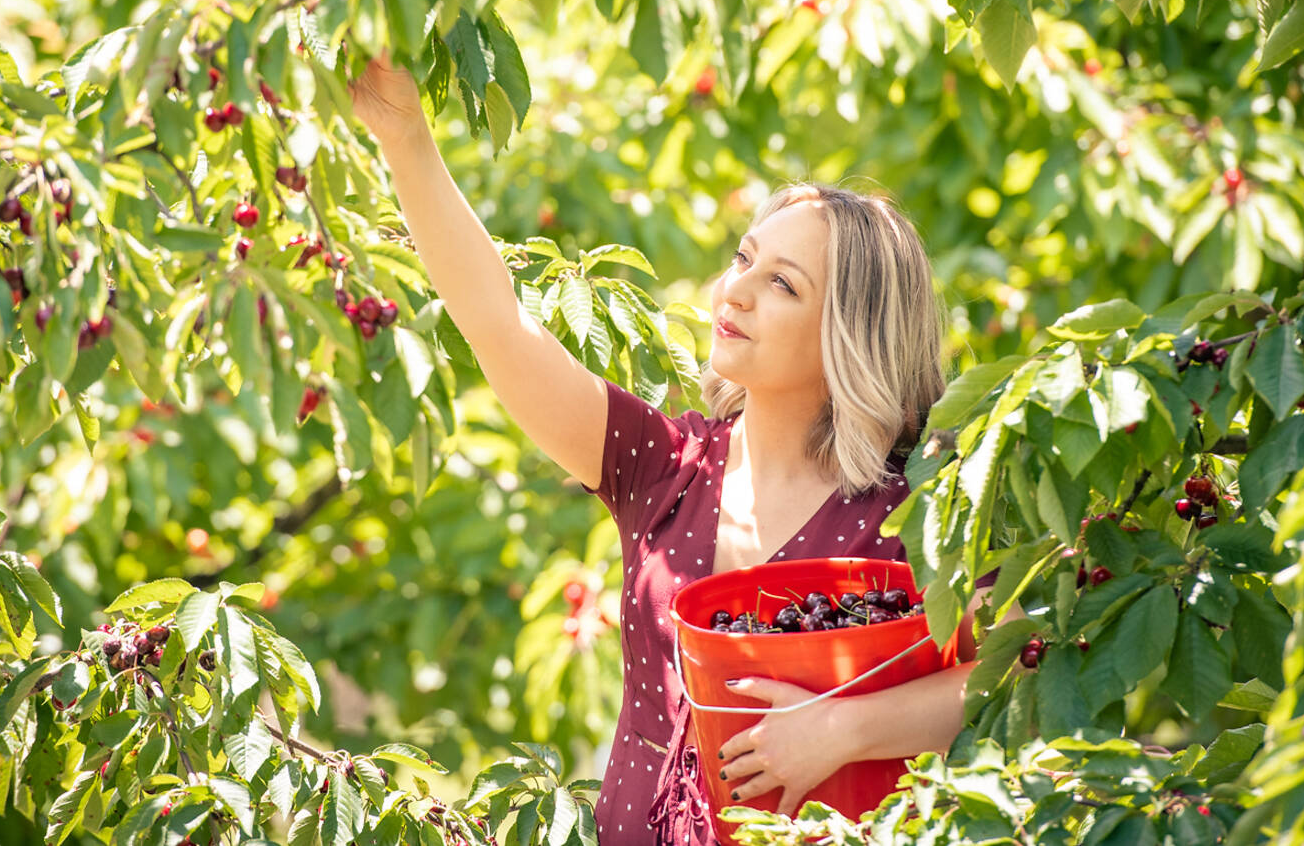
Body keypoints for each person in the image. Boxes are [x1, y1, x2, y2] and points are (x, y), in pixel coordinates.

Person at [350, 56, 993, 845]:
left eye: (783, 284)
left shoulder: (919, 508)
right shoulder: (666, 466)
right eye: (743, 258)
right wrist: (405, 137)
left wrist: (842, 729)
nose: (737, 290)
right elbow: (497, 321)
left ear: (848, 338)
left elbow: (1013, 668)